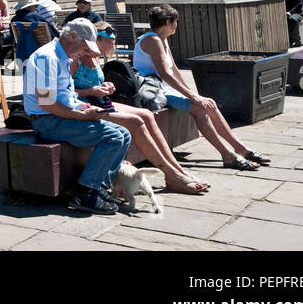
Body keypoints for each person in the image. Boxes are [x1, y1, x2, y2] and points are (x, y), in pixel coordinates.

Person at [71, 23, 209, 194]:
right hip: (85, 104)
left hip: (101, 101)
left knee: (147, 115)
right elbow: (65, 93)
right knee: (135, 121)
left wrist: (106, 86)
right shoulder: (75, 60)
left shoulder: (96, 57)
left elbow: (96, 83)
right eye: (105, 43)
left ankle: (177, 169)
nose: (107, 48)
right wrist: (90, 91)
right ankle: (171, 175)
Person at [135, 5, 271, 170]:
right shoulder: (153, 40)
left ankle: (240, 148)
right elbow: (165, 75)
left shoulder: (161, 39)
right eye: (176, 21)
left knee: (209, 103)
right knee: (200, 109)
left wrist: (192, 93)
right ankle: (227, 156)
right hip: (156, 92)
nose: (177, 25)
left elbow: (174, 70)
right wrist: (194, 98)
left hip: (164, 89)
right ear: (169, 22)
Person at [23, 21, 131, 214]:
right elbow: (46, 103)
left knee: (124, 134)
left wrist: (86, 107)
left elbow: (67, 97)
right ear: (72, 36)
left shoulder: (63, 57)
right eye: (84, 46)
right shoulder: (46, 58)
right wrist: (82, 116)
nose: (84, 52)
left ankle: (97, 187)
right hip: (46, 120)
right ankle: (86, 192)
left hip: (58, 116)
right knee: (114, 137)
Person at [12, 0, 58, 64]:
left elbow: (13, 37)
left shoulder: (14, 20)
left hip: (23, 51)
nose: (35, 7)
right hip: (42, 49)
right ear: (29, 6)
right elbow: (53, 33)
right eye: (35, 5)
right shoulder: (35, 17)